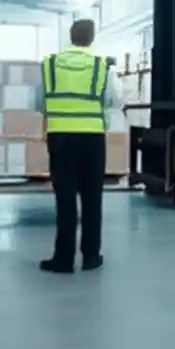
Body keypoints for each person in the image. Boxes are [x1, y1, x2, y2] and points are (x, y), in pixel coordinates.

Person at [35, 19, 120, 274]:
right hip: (92, 139)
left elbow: (38, 102)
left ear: (70, 36)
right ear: (91, 38)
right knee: (93, 198)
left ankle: (63, 260)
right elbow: (115, 100)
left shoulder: (50, 65)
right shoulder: (101, 66)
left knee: (65, 199)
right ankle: (91, 257)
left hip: (60, 138)